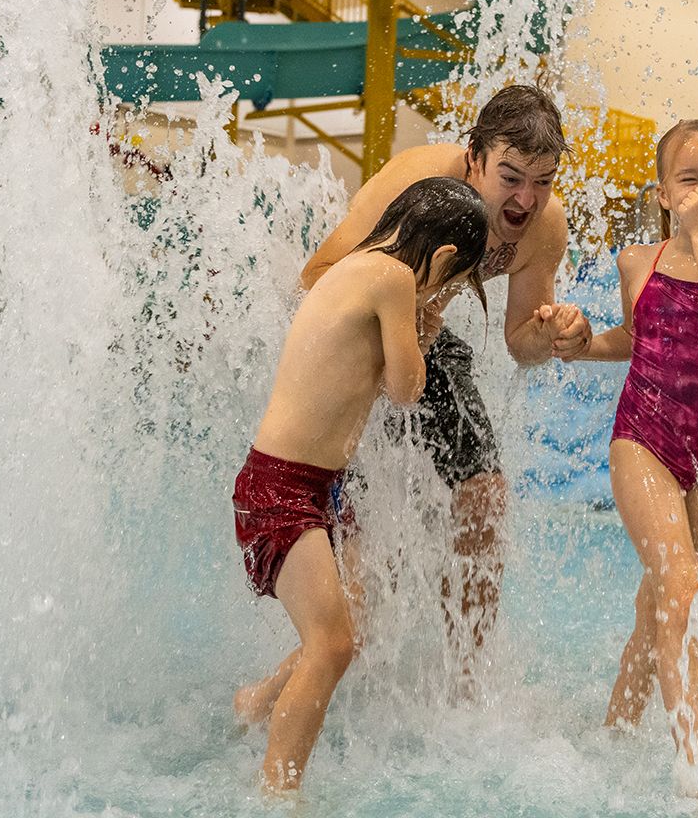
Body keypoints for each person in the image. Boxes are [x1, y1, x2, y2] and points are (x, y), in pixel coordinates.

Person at [299, 85, 592, 677]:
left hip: (426, 340)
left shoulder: (543, 229)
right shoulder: (415, 184)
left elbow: (520, 344)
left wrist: (557, 331)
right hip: (358, 341)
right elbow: (317, 277)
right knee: (365, 570)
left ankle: (467, 681)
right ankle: (300, 676)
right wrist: (400, 326)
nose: (525, 200)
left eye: (543, 180)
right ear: (474, 159)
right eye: (510, 176)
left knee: (485, 496)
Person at [231, 177, 489, 793]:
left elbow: (365, 387)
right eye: (451, 285)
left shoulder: (358, 270)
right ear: (446, 258)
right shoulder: (394, 280)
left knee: (355, 624)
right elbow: (406, 391)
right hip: (283, 488)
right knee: (333, 645)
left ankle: (255, 702)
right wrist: (425, 331)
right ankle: (278, 791)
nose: (443, 295)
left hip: (310, 487)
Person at [576, 118, 698, 791]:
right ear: (663, 193)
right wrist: (579, 344)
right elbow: (635, 339)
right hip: (644, 441)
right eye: (688, 179)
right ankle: (697, 766)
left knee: (658, 605)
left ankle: (616, 727)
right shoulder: (640, 261)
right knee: (682, 592)